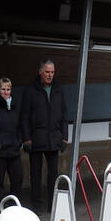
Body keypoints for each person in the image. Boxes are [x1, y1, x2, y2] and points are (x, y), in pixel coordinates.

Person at [20, 59, 69, 212]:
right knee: (36, 175)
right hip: (36, 139)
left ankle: (52, 206)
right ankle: (37, 206)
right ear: (40, 72)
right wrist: (26, 138)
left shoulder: (59, 89)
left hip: (54, 138)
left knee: (53, 175)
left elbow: (64, 114)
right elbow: (24, 116)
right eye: (47, 72)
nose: (50, 75)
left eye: (52, 72)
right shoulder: (30, 90)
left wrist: (64, 137)